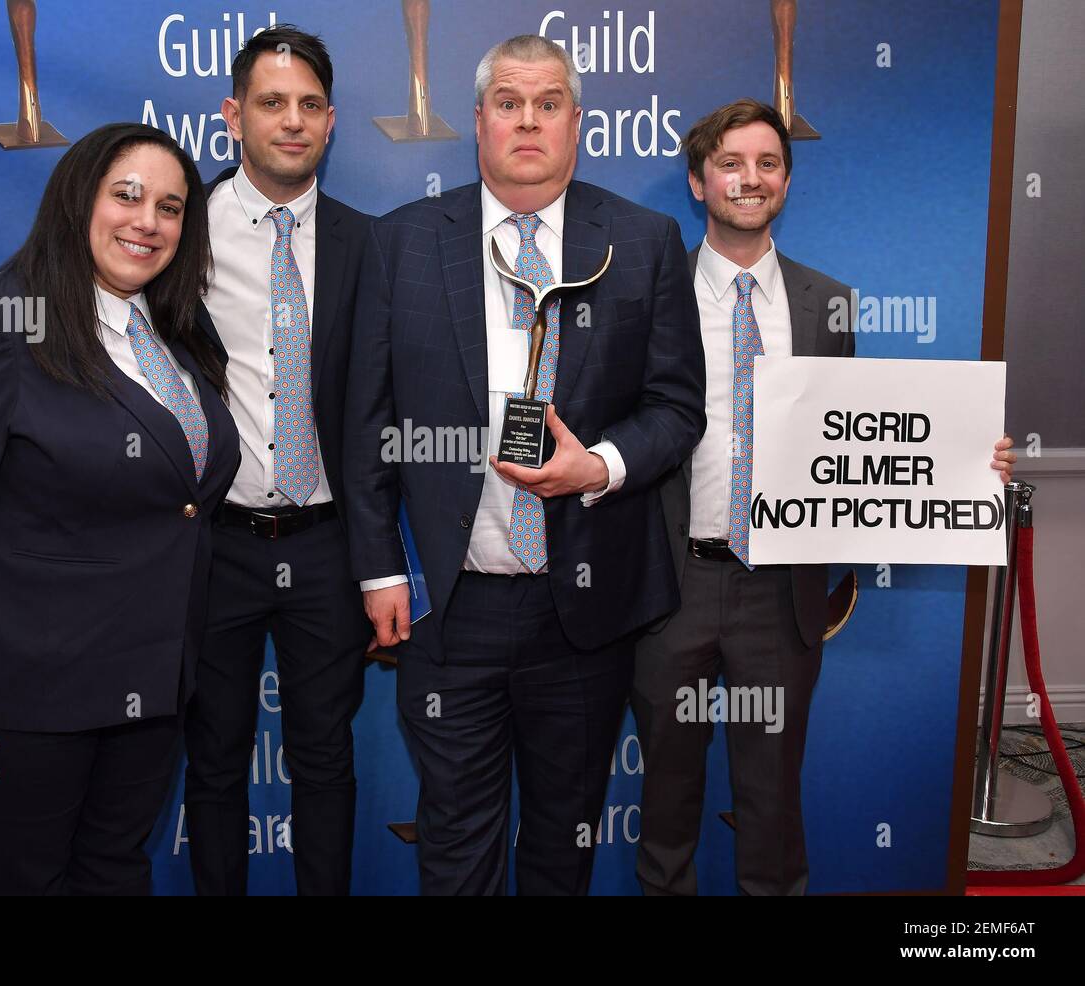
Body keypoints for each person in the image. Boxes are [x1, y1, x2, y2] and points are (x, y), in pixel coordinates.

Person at [344, 34, 706, 895]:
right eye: (509, 103)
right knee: (458, 845)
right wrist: (377, 571)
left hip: (583, 609)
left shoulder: (643, 240)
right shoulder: (402, 243)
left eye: (549, 104)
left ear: (578, 123)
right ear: (478, 122)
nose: (529, 121)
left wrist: (603, 466)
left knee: (561, 844)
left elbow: (676, 409)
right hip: (449, 606)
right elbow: (365, 424)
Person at [632, 98, 1018, 896]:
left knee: (772, 801)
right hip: (671, 585)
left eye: (768, 164)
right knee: (667, 796)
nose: (751, 178)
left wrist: (964, 463)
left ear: (787, 180)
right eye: (732, 164)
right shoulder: (649, 296)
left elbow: (859, 439)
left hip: (780, 590)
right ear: (700, 182)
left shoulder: (827, 302)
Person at [0, 122, 240, 895]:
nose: (148, 221)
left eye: (172, 207)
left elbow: (180, 505)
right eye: (128, 196)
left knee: (113, 877)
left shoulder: (174, 330)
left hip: (146, 693)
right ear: (78, 198)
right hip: (16, 707)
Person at [183, 25, 373, 896]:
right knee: (213, 757)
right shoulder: (175, 234)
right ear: (233, 116)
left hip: (329, 544)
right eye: (270, 103)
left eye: (307, 106)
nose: (290, 122)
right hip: (209, 544)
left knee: (325, 758)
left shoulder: (369, 243)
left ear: (330, 122)